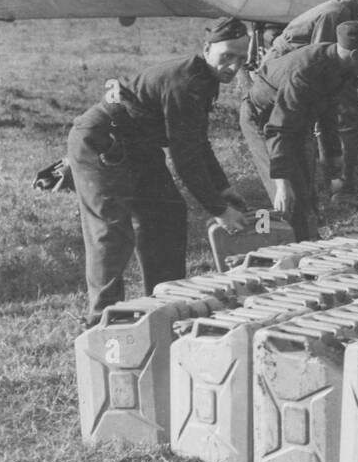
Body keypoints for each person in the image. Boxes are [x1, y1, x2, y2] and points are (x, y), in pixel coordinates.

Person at [67, 17, 252, 325]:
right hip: (101, 140)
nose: (233, 66)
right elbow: (184, 157)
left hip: (137, 144)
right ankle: (102, 320)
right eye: (227, 56)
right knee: (111, 232)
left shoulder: (204, 79)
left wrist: (222, 187)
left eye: (241, 59)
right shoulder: (188, 81)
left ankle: (163, 302)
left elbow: (197, 141)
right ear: (207, 49)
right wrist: (219, 210)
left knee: (167, 211)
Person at [240, 20, 358, 239]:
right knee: (289, 195)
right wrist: (281, 182)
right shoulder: (306, 71)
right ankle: (284, 246)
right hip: (263, 121)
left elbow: (328, 113)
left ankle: (309, 240)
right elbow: (279, 129)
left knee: (306, 192)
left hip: (294, 120)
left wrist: (333, 154)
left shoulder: (341, 66)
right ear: (354, 54)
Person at [265, 0, 358, 189]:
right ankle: (336, 186)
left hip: (300, 73)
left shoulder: (348, 11)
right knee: (341, 117)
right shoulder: (336, 14)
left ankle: (335, 184)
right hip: (282, 74)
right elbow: (320, 61)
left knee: (341, 114)